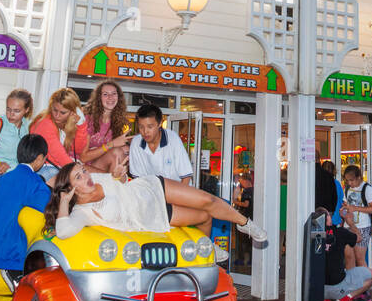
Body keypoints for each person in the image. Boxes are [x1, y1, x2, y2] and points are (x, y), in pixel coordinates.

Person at [50, 160, 267, 263]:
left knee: (207, 200)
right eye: (78, 177)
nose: (86, 176)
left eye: (84, 171)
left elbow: (121, 181)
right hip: (151, 216)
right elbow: (63, 231)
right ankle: (207, 245)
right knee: (204, 216)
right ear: (70, 189)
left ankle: (245, 224)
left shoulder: (96, 179)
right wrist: (63, 201)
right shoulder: (82, 212)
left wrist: (119, 174)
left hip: (151, 188)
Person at [0, 134, 51, 291]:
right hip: (17, 256)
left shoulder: (3, 179)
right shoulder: (37, 184)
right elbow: (46, 218)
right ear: (40, 158)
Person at [319, 208, 372, 301]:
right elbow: (359, 238)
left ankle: (326, 299)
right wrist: (350, 223)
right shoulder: (340, 233)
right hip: (337, 288)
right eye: (329, 215)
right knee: (370, 275)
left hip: (320, 289)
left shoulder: (313, 235)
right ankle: (346, 298)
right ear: (328, 218)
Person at [29, 88, 88, 181]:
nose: (57, 115)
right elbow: (60, 156)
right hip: (44, 169)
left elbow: (78, 150)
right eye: (55, 110)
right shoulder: (45, 123)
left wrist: (81, 124)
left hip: (55, 168)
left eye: (62, 112)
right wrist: (79, 172)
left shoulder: (67, 124)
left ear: (74, 112)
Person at [127, 103, 194, 184]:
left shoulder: (173, 139)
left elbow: (186, 177)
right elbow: (137, 180)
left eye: (150, 127)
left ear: (159, 124)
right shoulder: (136, 143)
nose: (145, 132)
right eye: (141, 127)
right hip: (152, 191)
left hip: (179, 189)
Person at [341, 165, 372, 301]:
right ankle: (351, 289)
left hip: (362, 226)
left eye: (352, 180)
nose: (350, 183)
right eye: (347, 180)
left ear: (358, 178)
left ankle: (364, 289)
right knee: (349, 257)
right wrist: (345, 212)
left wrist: (355, 208)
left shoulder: (366, 189)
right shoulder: (347, 188)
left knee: (359, 258)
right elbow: (345, 204)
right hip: (348, 225)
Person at [80, 80, 131, 173]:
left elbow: (113, 149)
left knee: (122, 152)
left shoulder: (117, 123)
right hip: (81, 167)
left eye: (114, 93)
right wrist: (112, 144)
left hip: (101, 165)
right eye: (105, 94)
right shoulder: (88, 119)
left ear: (118, 97)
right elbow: (83, 158)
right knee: (117, 152)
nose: (110, 97)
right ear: (99, 98)